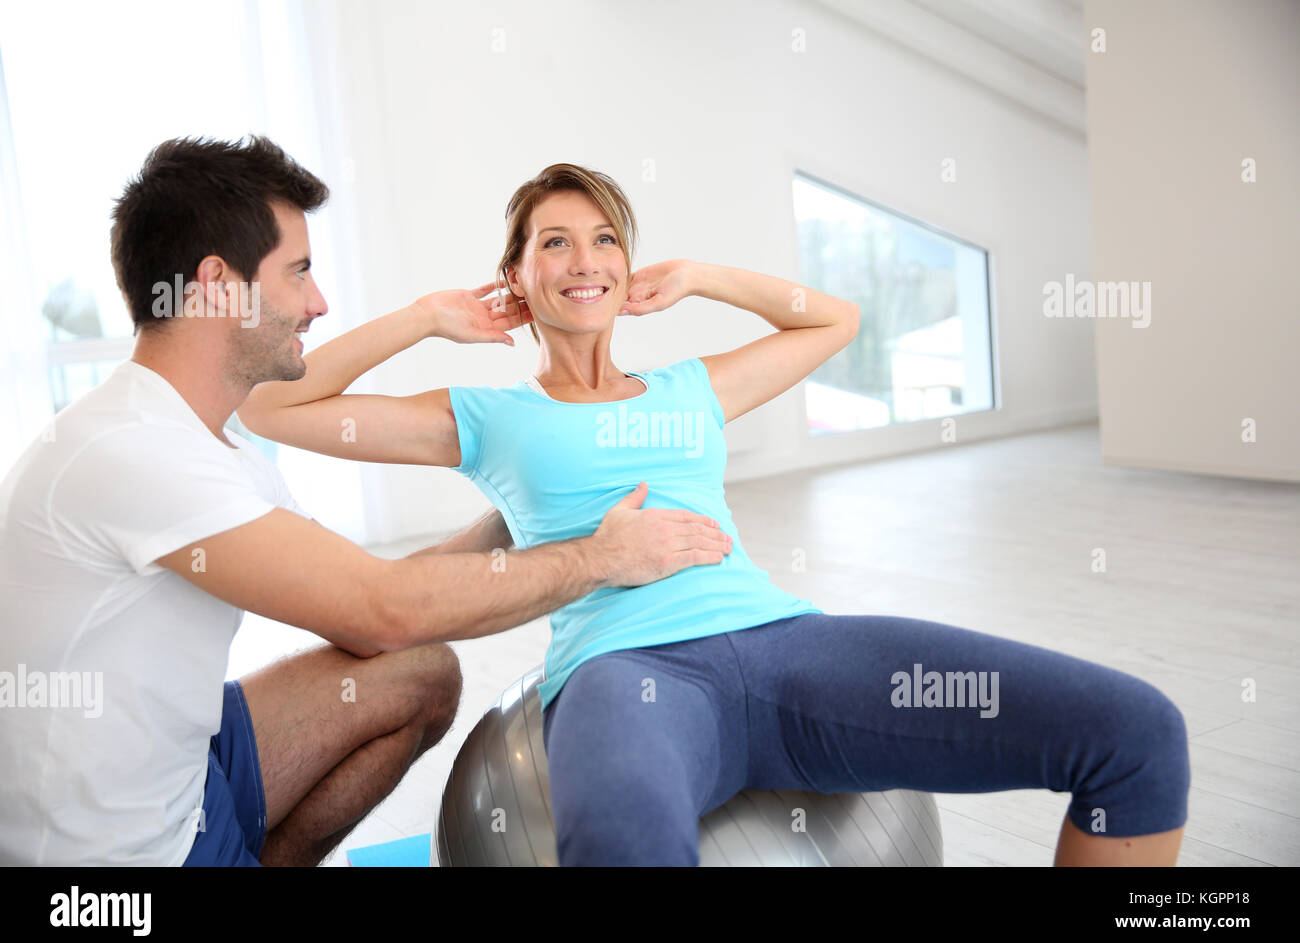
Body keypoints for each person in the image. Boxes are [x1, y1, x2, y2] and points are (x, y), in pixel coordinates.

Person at [237, 162, 1191, 866]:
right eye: (554, 243)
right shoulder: (488, 415)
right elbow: (271, 403)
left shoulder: (692, 387)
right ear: (515, 280)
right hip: (622, 672)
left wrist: (700, 277)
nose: (586, 259)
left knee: (1136, 734)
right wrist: (424, 317)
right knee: (621, 843)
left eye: (606, 238)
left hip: (785, 648)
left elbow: (835, 321)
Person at [0, 139, 732, 867]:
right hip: (111, 859)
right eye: (299, 273)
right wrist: (601, 557)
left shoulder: (210, 446)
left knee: (420, 677)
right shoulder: (133, 451)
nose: (317, 303)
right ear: (220, 285)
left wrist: (512, 518)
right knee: (403, 638)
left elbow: (365, 614)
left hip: (188, 761)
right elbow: (383, 610)